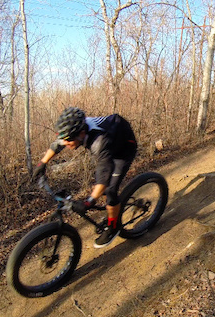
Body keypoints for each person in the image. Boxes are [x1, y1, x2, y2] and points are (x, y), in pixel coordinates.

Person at [32, 107, 137, 249]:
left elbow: (104, 176)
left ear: (81, 133)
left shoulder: (98, 142)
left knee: (110, 190)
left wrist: (88, 203)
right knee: (101, 186)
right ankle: (111, 209)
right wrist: (42, 163)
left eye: (68, 141)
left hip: (124, 146)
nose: (65, 144)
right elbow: (57, 144)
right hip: (109, 141)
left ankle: (113, 227)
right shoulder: (73, 131)